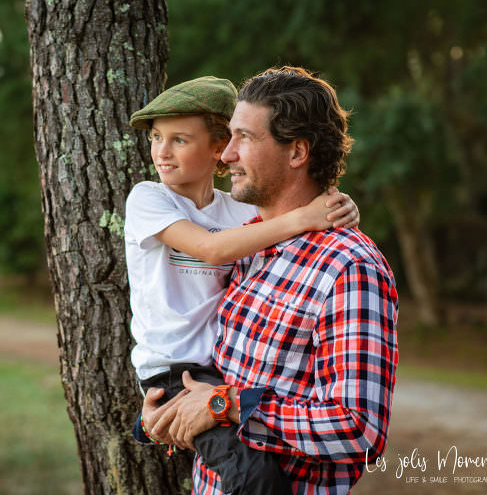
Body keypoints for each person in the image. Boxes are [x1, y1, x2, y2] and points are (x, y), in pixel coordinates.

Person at [141, 67, 399, 495]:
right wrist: (163, 415)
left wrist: (224, 406)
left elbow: (359, 429)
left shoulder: (349, 267)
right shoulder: (246, 242)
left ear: (297, 152)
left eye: (245, 138)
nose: (226, 156)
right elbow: (208, 382)